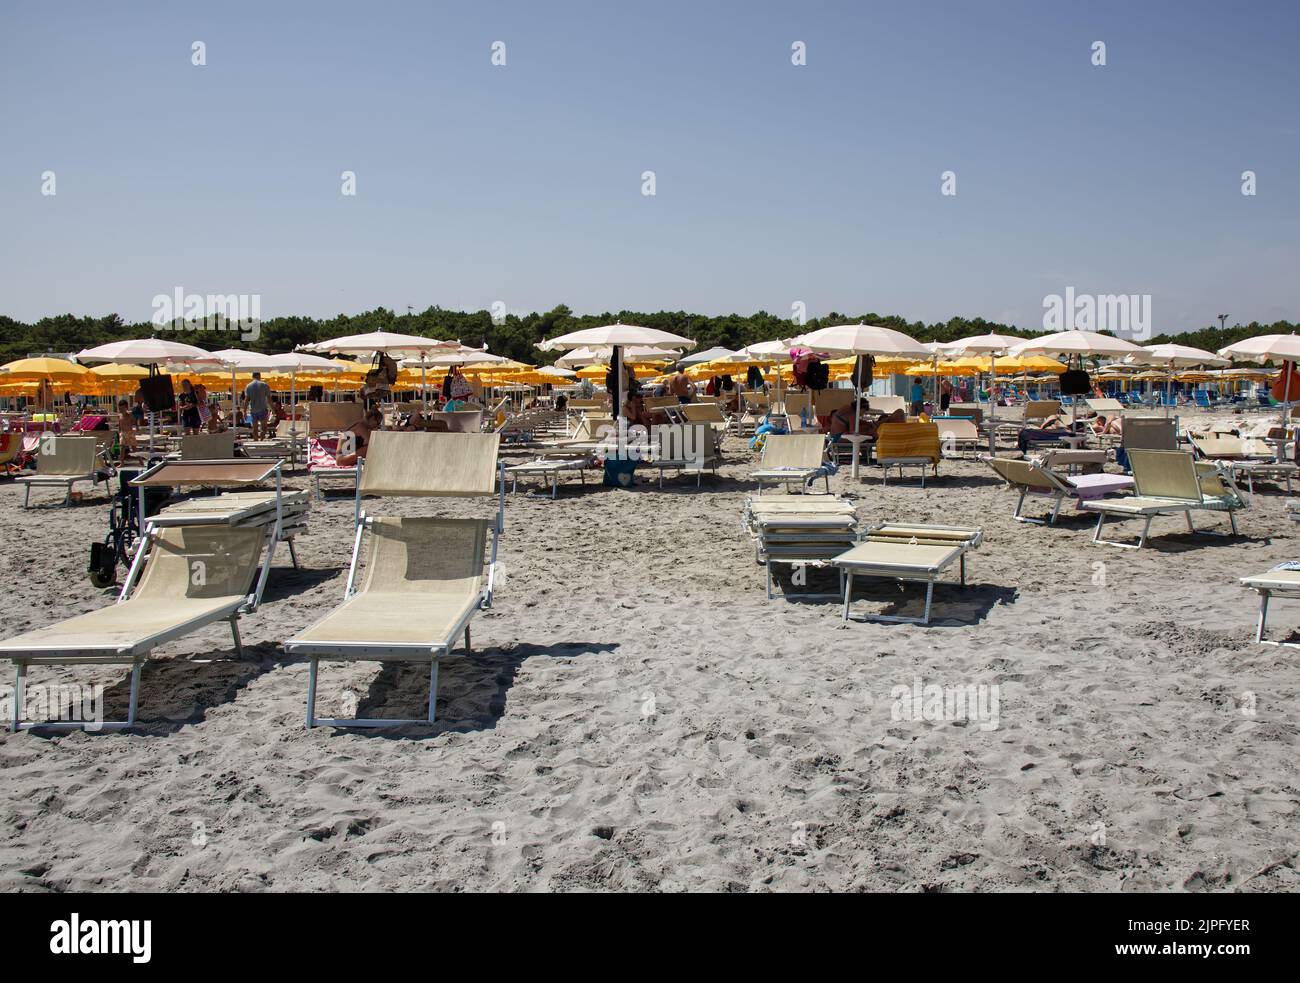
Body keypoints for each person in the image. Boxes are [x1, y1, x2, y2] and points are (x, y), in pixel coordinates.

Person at [244, 371, 272, 439]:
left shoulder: (248, 386)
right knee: (264, 428)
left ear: (252, 376)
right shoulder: (265, 385)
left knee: (255, 428)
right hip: (263, 409)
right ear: (259, 376)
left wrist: (244, 411)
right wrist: (273, 409)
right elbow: (269, 400)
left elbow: (246, 400)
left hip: (253, 410)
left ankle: (256, 441)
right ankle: (261, 440)